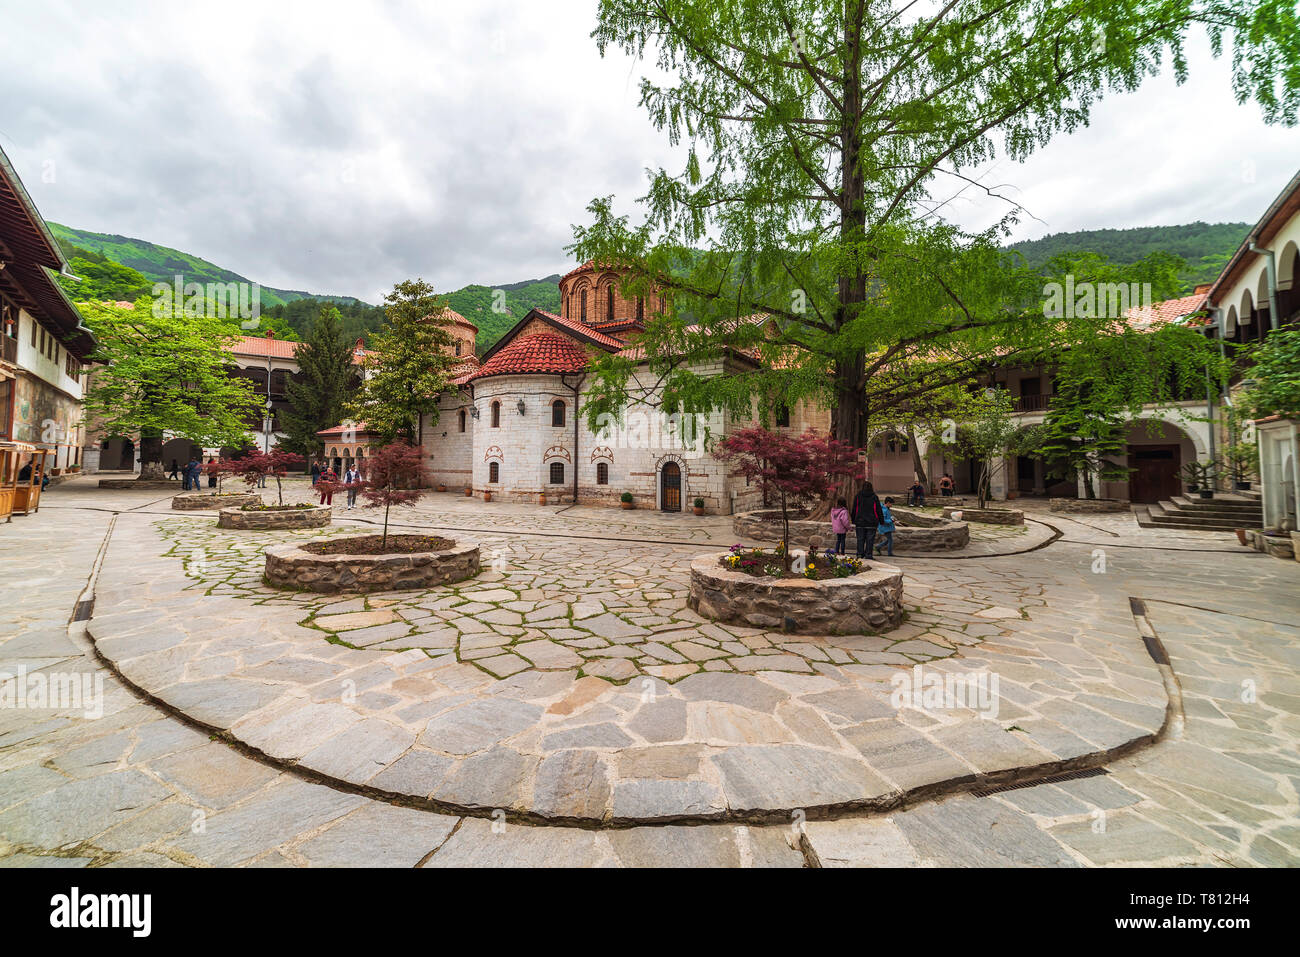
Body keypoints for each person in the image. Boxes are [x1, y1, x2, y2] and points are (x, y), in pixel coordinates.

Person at [850, 481, 884, 559]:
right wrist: (881, 520)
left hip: (860, 522)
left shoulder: (858, 496)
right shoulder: (874, 497)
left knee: (860, 539)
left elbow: (854, 509)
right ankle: (868, 554)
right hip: (872, 522)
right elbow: (878, 510)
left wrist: (853, 519)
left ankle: (859, 554)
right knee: (870, 540)